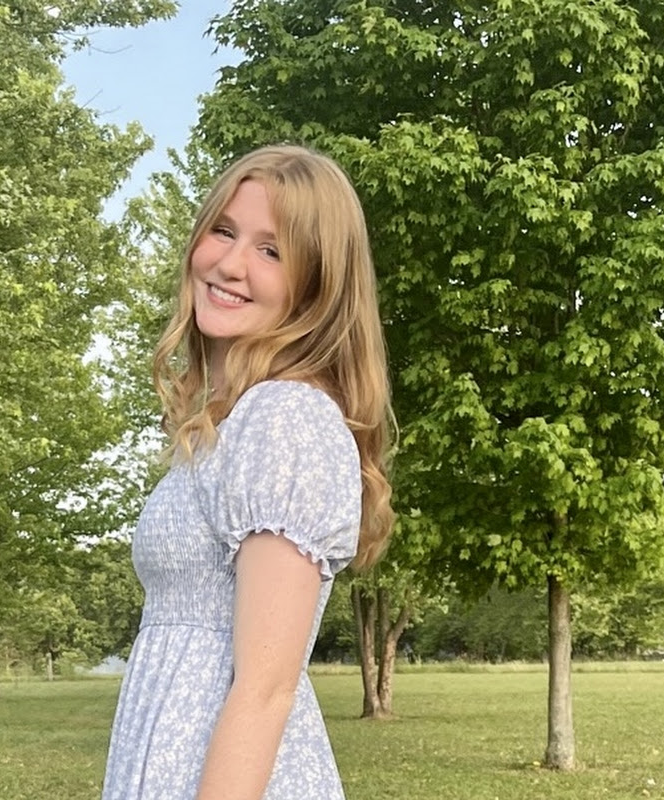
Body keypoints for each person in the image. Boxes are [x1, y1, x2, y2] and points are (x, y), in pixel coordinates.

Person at [101, 144, 394, 800]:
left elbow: (265, 689)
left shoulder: (285, 417)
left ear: (316, 288)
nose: (231, 264)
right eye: (224, 230)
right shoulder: (232, 421)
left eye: (271, 251)